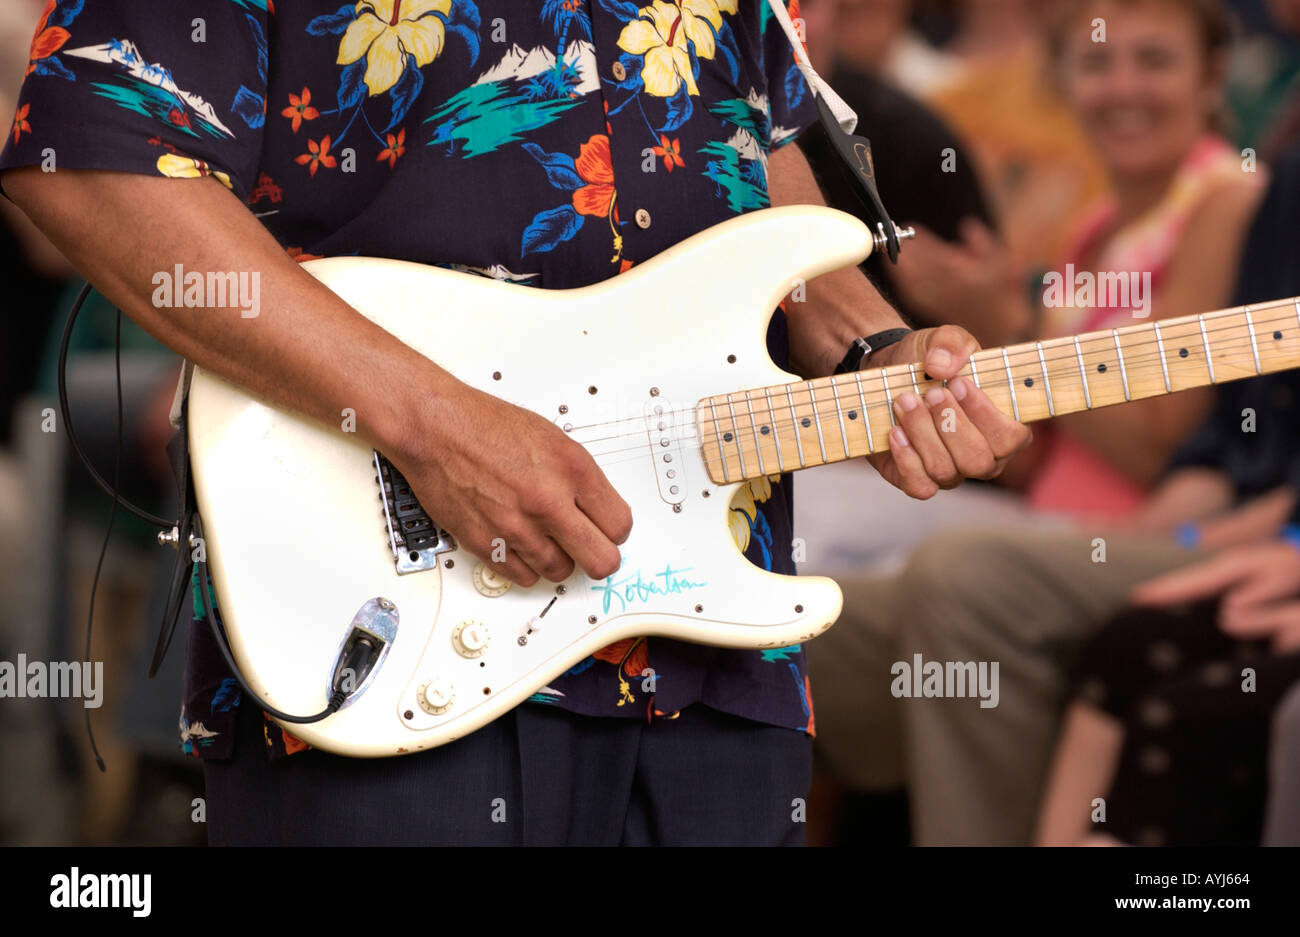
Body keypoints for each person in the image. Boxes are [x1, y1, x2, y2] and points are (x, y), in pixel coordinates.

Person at [1, 0, 1028, 845]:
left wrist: (874, 350)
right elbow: (93, 157)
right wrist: (437, 428)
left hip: (715, 660)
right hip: (390, 636)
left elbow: (761, 142)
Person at [807, 0, 1284, 845]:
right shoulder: (1098, 226)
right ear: (1064, 78)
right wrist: (952, 369)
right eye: (1098, 63)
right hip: (1043, 519)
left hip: (1130, 530)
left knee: (957, 575)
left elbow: (1162, 437)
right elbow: (1034, 455)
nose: (1122, 87)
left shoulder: (1226, 199)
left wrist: (1017, 330)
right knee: (806, 612)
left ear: (1213, 79)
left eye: (1155, 61)